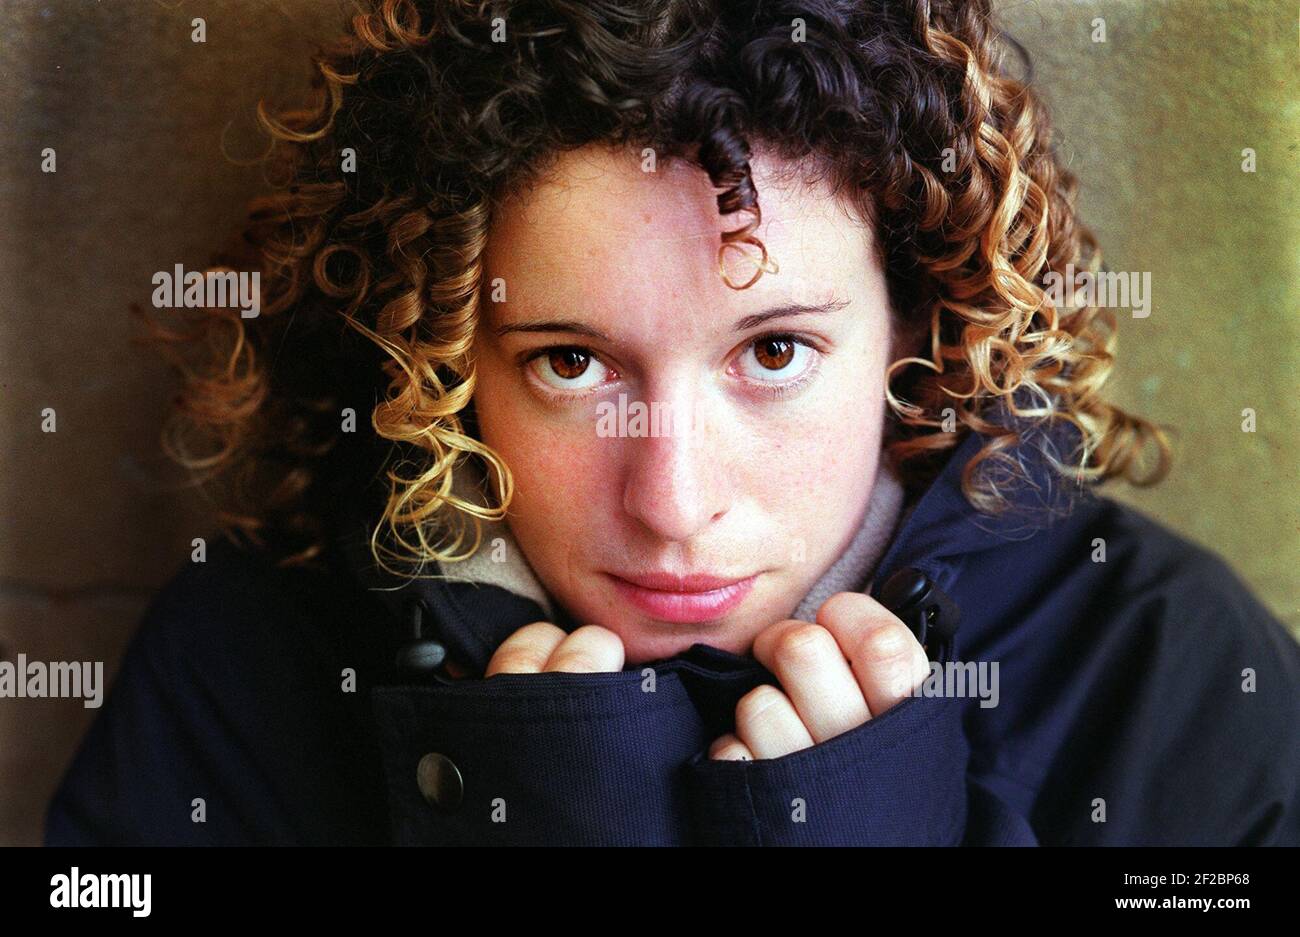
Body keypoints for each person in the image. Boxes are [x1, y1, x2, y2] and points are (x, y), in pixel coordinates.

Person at [45, 0, 1299, 846]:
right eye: (571, 361)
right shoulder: (251, 657)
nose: (674, 500)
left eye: (773, 350)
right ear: (441, 354)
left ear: (914, 333)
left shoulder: (1163, 668)